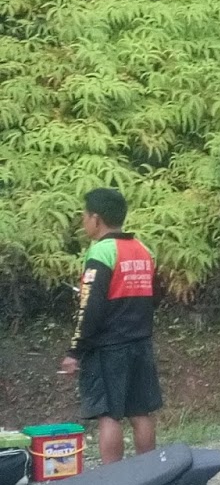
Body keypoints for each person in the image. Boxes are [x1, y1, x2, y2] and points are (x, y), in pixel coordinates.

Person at [58, 188, 163, 463]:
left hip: (108, 348)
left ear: (96, 218)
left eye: (85, 215)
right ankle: (149, 475)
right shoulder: (142, 250)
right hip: (141, 344)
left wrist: (75, 351)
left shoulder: (101, 252)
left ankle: (113, 483)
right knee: (140, 412)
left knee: (109, 415)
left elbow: (90, 307)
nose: (83, 221)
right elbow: (155, 297)